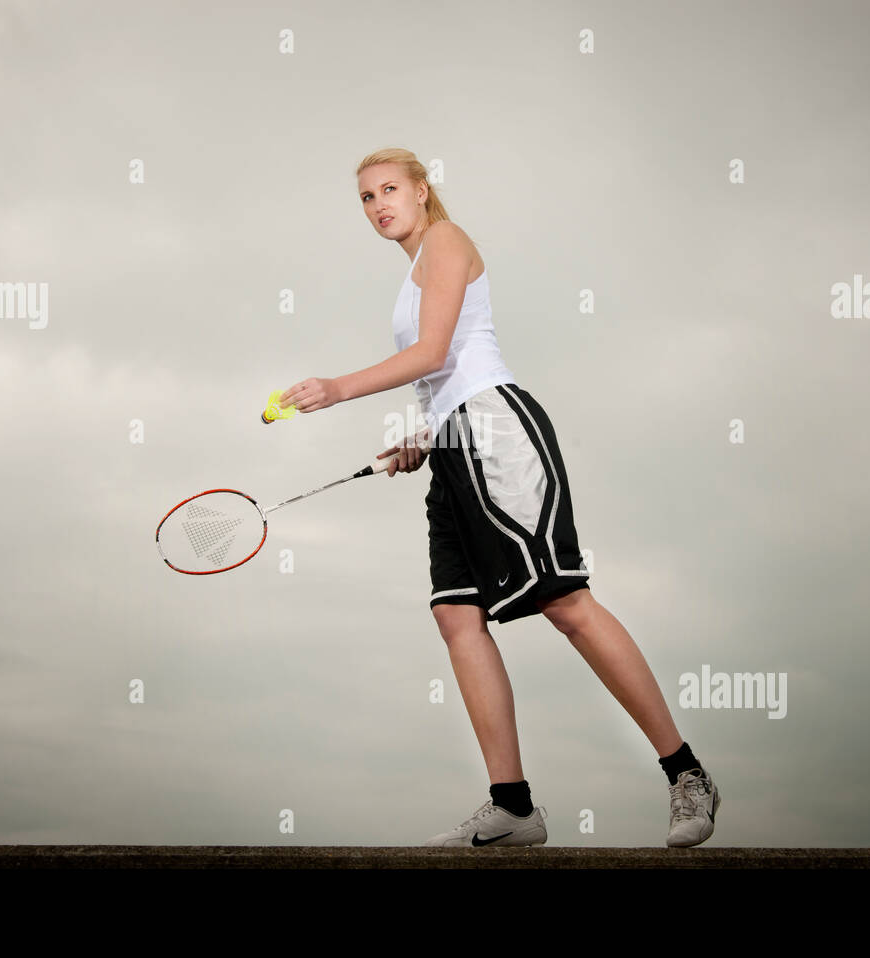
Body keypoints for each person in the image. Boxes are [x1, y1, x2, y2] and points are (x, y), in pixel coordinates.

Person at [279, 147, 721, 848]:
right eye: (365, 198)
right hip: (455, 441)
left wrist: (338, 387)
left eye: (390, 189)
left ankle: (686, 774)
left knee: (565, 602)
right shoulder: (411, 273)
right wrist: (423, 437)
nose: (378, 205)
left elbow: (433, 354)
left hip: (496, 429)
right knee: (457, 616)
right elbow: (439, 372)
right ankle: (512, 805)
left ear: (423, 190)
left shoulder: (448, 240)